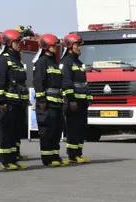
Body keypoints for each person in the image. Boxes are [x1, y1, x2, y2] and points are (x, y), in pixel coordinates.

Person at [0, 28, 29, 170]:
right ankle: (6, 161)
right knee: (6, 133)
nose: (19, 44)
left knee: (15, 133)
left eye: (19, 41)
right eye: (16, 42)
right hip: (7, 104)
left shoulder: (17, 60)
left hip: (18, 103)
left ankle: (13, 159)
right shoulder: (3, 60)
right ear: (8, 43)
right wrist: (1, 101)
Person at [32, 33, 65, 167]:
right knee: (47, 131)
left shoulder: (55, 63)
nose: (55, 47)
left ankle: (55, 155)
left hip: (57, 102)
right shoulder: (42, 62)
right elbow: (38, 82)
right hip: (47, 103)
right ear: (45, 47)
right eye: (52, 45)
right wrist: (42, 100)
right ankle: (47, 158)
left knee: (57, 130)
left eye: (55, 45)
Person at [61, 33, 92, 164]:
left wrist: (88, 97)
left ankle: (78, 153)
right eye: (77, 45)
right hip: (73, 102)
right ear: (69, 46)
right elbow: (66, 83)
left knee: (81, 128)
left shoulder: (79, 63)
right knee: (73, 129)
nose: (80, 47)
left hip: (82, 102)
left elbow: (84, 83)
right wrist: (71, 99)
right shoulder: (66, 62)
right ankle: (72, 155)